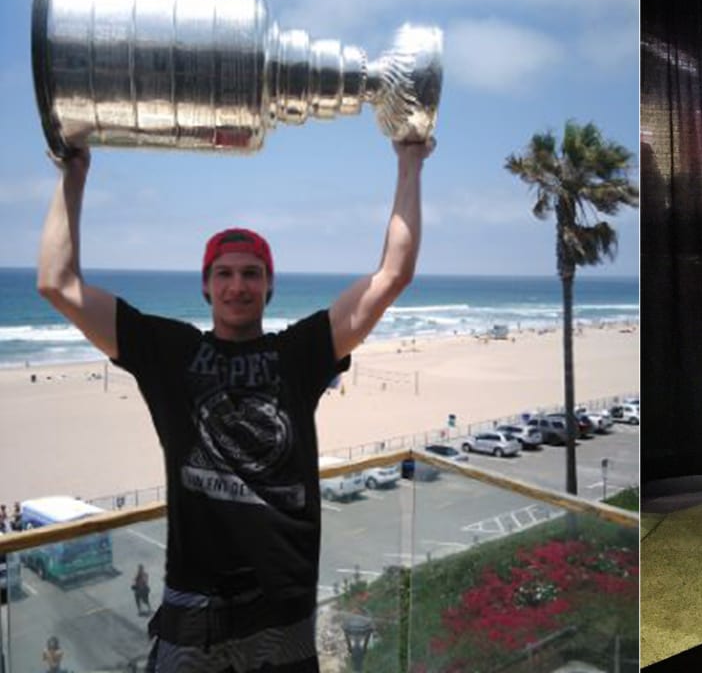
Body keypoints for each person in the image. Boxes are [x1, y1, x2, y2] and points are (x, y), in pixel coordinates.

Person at [37, 136, 433, 669]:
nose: (237, 286)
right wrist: (74, 172)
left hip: (284, 607)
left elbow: (393, 275)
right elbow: (56, 283)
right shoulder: (171, 353)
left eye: (251, 273)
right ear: (206, 286)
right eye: (224, 273)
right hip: (193, 607)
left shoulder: (299, 353)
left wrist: (409, 160)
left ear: (268, 286)